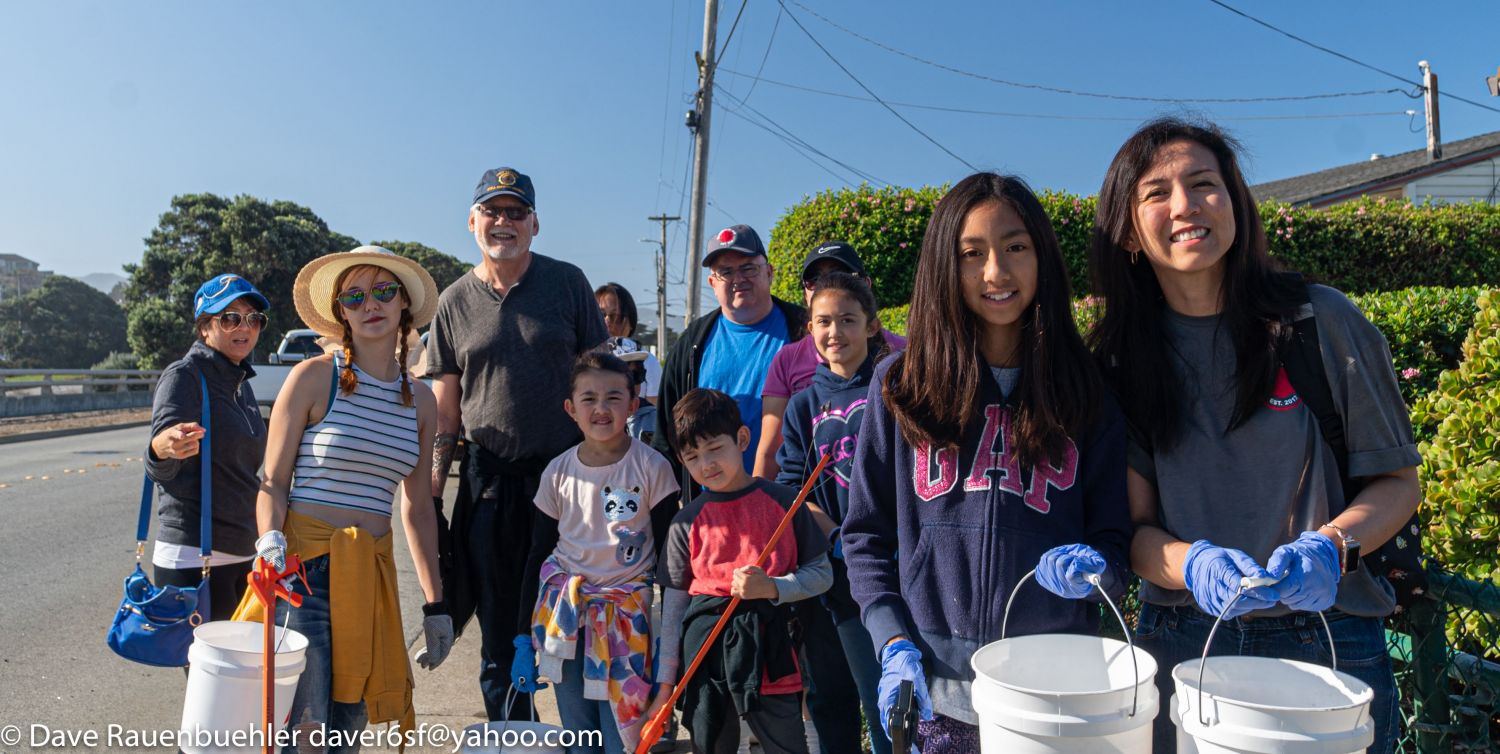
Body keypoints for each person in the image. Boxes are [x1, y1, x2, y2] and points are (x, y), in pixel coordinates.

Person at [1087, 117, 1420, 754]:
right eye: (1156, 193)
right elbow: (1135, 531)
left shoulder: (1320, 320)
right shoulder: (1121, 361)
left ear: (1236, 202)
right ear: (1127, 232)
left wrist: (1332, 547)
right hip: (1186, 637)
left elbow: (1398, 483)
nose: (1185, 206)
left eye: (1203, 184)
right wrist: (1194, 565)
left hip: (1330, 636)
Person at [842, 173, 1133, 753]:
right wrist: (891, 640)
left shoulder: (1089, 391)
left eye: (1015, 247)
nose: (996, 272)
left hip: (1052, 697)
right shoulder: (900, 385)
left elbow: (1115, 540)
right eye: (971, 254)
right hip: (935, 697)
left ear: (1043, 257)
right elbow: (864, 536)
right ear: (943, 267)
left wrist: (1098, 571)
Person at [240, 246, 451, 753]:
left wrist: (436, 604)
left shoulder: (421, 400)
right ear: (341, 313)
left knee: (347, 729)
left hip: (368, 577)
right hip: (301, 573)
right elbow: (273, 480)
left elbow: (419, 508)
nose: (369, 304)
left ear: (403, 303)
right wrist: (269, 540)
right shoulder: (315, 376)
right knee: (305, 729)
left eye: (383, 292)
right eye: (354, 297)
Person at [426, 167, 610, 721]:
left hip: (569, 481)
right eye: (492, 211)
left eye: (515, 212)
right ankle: (515, 733)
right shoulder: (454, 301)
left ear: (534, 223)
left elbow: (601, 378)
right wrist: (432, 495)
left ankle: (587, 737)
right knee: (500, 630)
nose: (502, 222)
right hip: (489, 485)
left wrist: (611, 462)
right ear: (472, 221)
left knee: (582, 618)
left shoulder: (567, 283)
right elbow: (445, 410)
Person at [511, 353, 681, 753]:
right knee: (579, 736)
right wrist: (521, 638)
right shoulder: (557, 472)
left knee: (623, 739)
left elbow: (671, 563)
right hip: (565, 620)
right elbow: (538, 554)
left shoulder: (653, 467)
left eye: (613, 397)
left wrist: (669, 648)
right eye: (588, 398)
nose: (601, 408)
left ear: (633, 404)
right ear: (570, 408)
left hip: (629, 627)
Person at [653, 388, 833, 754]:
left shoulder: (785, 502)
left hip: (771, 651)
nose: (707, 464)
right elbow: (673, 611)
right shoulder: (685, 521)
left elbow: (822, 574)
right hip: (705, 658)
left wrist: (773, 587)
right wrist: (665, 687)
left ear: (742, 438)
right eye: (692, 456)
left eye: (715, 448)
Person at [774, 271, 892, 754]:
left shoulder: (896, 388)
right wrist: (835, 538)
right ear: (810, 330)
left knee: (889, 698)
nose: (835, 331)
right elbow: (792, 487)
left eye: (847, 319)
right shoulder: (803, 406)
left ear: (871, 325)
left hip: (895, 566)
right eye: (823, 321)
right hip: (835, 575)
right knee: (832, 697)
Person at [145, 273, 270, 622]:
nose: (244, 327)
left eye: (254, 319)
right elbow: (159, 459)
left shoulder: (239, 381)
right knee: (204, 661)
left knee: (243, 658)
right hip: (194, 558)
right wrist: (163, 447)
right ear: (204, 327)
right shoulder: (184, 376)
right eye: (230, 318)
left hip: (242, 552)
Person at [652, 224, 806, 488]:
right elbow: (667, 437)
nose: (738, 279)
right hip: (709, 503)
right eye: (726, 272)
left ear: (769, 273)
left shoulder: (806, 331)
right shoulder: (692, 343)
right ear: (713, 283)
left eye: (748, 268)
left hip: (791, 497)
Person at [753, 240, 906, 480]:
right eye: (814, 280)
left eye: (839, 274)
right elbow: (777, 458)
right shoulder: (797, 391)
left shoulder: (902, 363)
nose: (835, 332)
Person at [596, 282, 663, 405]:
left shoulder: (647, 360)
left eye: (616, 316)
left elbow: (652, 410)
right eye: (601, 315)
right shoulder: (582, 359)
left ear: (631, 322)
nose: (607, 321)